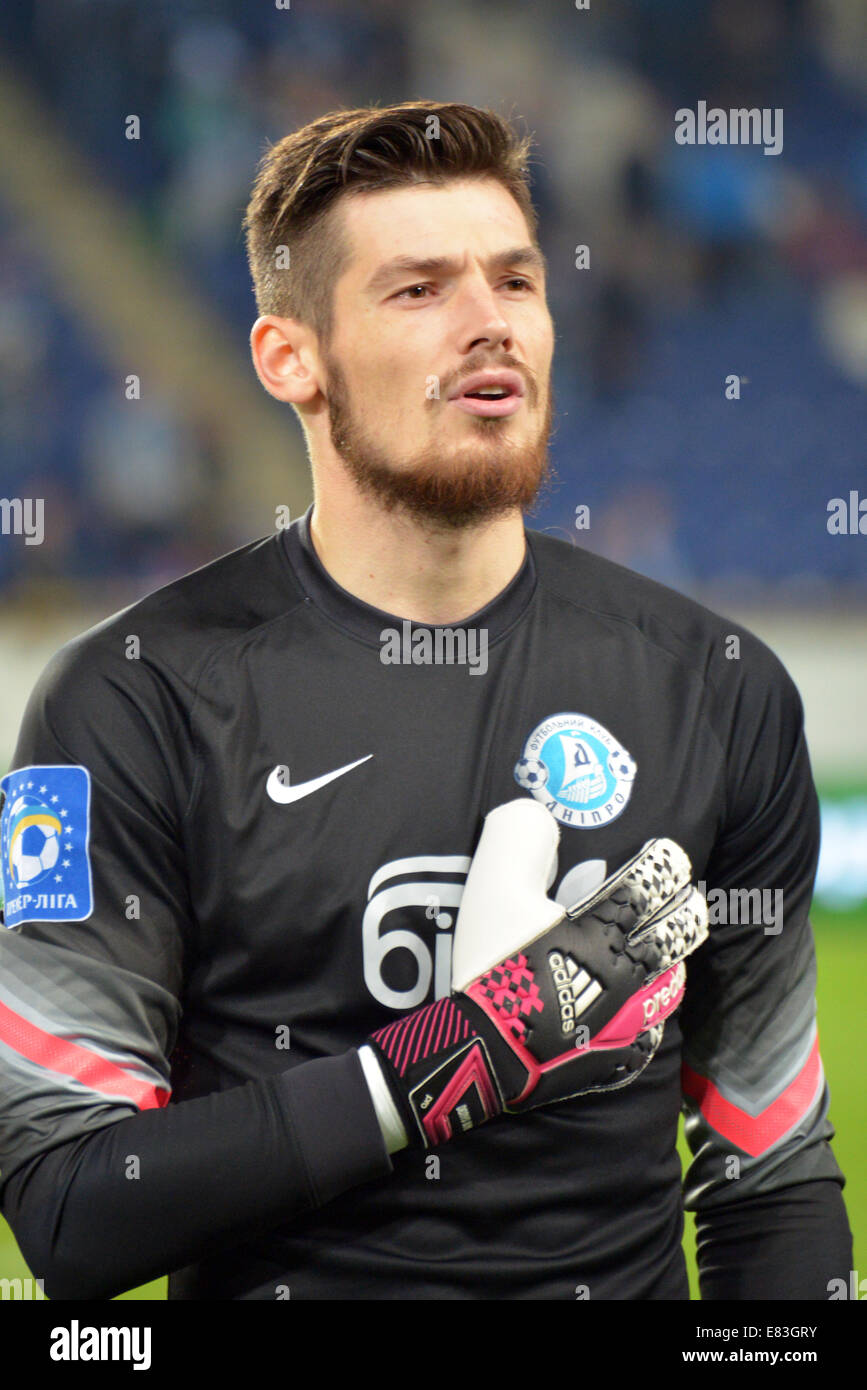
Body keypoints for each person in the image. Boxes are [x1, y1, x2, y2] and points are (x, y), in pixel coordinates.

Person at [0, 102, 852, 1301]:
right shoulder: (129, 700)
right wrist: (457, 1056)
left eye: (515, 280)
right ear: (290, 358)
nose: (490, 323)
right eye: (419, 290)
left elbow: (773, 1185)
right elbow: (71, 1204)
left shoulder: (717, 688)